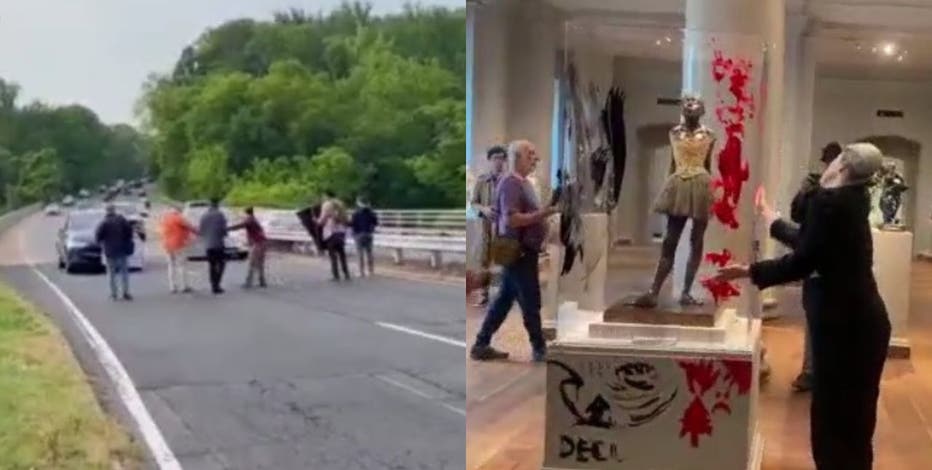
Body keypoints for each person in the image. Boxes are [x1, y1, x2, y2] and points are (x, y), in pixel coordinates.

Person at [715, 143, 889, 470]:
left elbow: (802, 262)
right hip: (863, 323)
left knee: (832, 423)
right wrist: (772, 219)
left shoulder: (828, 202)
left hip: (842, 325)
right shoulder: (852, 200)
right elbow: (814, 243)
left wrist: (749, 271)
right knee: (855, 419)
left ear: (841, 167)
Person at [470, 140, 557, 363]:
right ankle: (539, 347)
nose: (535, 159)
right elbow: (512, 219)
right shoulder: (510, 183)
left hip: (523, 251)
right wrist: (544, 214)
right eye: (530, 154)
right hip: (519, 252)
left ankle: (481, 344)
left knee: (504, 300)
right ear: (516, 158)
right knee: (530, 300)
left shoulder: (523, 182)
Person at [782, 141, 842, 392]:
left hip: (834, 265)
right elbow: (797, 215)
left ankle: (821, 372)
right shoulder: (817, 186)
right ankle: (811, 371)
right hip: (817, 264)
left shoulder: (846, 191)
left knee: (826, 320)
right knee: (813, 318)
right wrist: (803, 193)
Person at [470, 145, 508, 307]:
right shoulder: (482, 180)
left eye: (501, 158)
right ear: (489, 160)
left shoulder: (509, 180)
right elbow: (474, 202)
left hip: (504, 224)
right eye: (495, 158)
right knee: (483, 258)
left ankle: (503, 295)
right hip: (486, 224)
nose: (498, 161)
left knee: (504, 258)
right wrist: (484, 209)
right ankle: (483, 293)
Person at [96, 204, 135, 301]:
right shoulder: (121, 220)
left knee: (111, 273)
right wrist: (126, 240)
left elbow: (98, 236)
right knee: (124, 272)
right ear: (114, 210)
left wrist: (102, 242)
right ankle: (125, 292)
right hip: (122, 249)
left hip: (109, 250)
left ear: (106, 211)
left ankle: (114, 294)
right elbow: (129, 231)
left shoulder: (104, 222)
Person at [160, 205, 197, 294]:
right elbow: (190, 227)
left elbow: (161, 230)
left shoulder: (165, 218)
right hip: (179, 244)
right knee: (182, 265)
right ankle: (185, 286)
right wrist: (198, 232)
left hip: (167, 245)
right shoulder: (178, 218)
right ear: (179, 211)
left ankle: (172, 286)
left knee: (171, 265)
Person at [229, 207, 268, 289]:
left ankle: (249, 282)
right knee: (260, 263)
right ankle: (262, 281)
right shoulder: (254, 219)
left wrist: (227, 228)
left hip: (258, 243)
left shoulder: (250, 220)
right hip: (262, 242)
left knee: (252, 262)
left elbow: (239, 226)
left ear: (246, 213)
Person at [318, 192, 351, 281]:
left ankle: (336, 275)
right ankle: (346, 273)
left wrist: (316, 221)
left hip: (331, 232)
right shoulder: (341, 204)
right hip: (341, 232)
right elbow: (346, 218)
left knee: (333, 256)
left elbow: (322, 220)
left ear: (326, 195)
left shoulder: (326, 205)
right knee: (342, 254)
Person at [199, 198, 229, 294]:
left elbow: (201, 231)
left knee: (212, 265)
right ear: (217, 205)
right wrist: (223, 234)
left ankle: (213, 285)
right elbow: (224, 230)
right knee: (221, 264)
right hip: (218, 244)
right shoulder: (220, 215)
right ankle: (217, 283)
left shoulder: (203, 216)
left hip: (208, 245)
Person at [350, 196, 379, 277]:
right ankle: (371, 270)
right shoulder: (371, 212)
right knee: (369, 252)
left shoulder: (356, 213)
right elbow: (376, 222)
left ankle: (361, 271)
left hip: (359, 234)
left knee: (360, 253)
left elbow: (352, 224)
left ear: (359, 203)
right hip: (369, 234)